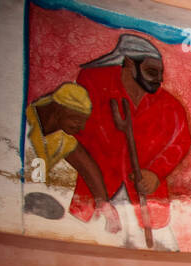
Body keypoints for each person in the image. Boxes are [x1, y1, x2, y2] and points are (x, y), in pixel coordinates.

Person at [69, 33, 191, 250]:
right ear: (128, 64)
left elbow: (181, 142)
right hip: (100, 192)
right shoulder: (94, 86)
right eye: (151, 72)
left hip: (148, 200)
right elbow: (76, 136)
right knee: (89, 251)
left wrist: (156, 172)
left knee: (163, 254)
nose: (158, 80)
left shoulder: (170, 107)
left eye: (160, 74)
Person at [23, 83, 120, 231]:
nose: (81, 128)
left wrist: (104, 205)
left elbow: (87, 165)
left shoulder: (60, 138)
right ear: (58, 110)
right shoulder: (25, 125)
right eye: (76, 120)